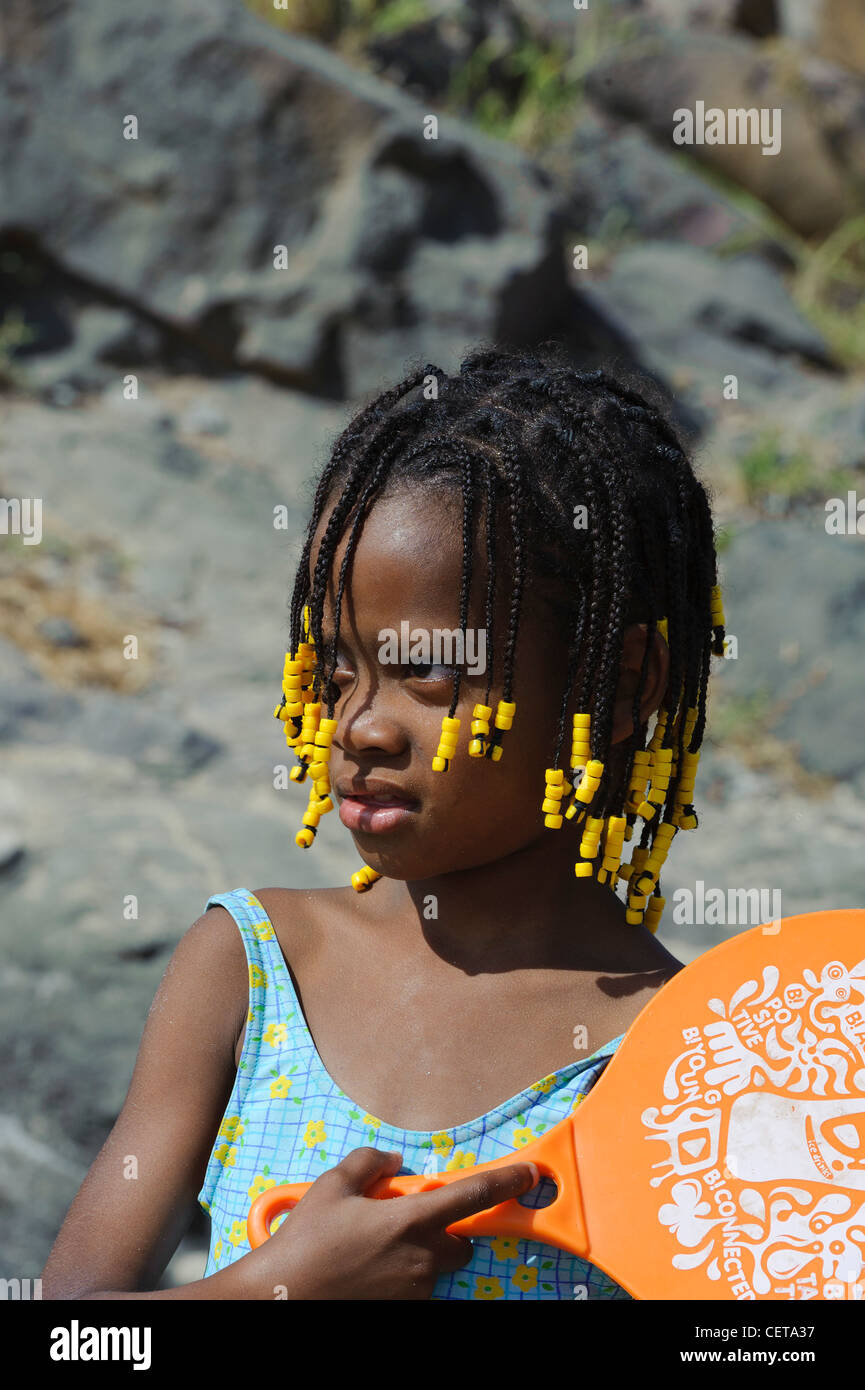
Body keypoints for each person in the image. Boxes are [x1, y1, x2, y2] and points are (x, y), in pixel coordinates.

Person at [41, 342, 726, 1300]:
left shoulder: (691, 1056)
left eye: (430, 673)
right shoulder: (252, 967)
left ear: (621, 685)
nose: (358, 723)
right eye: (335, 667)